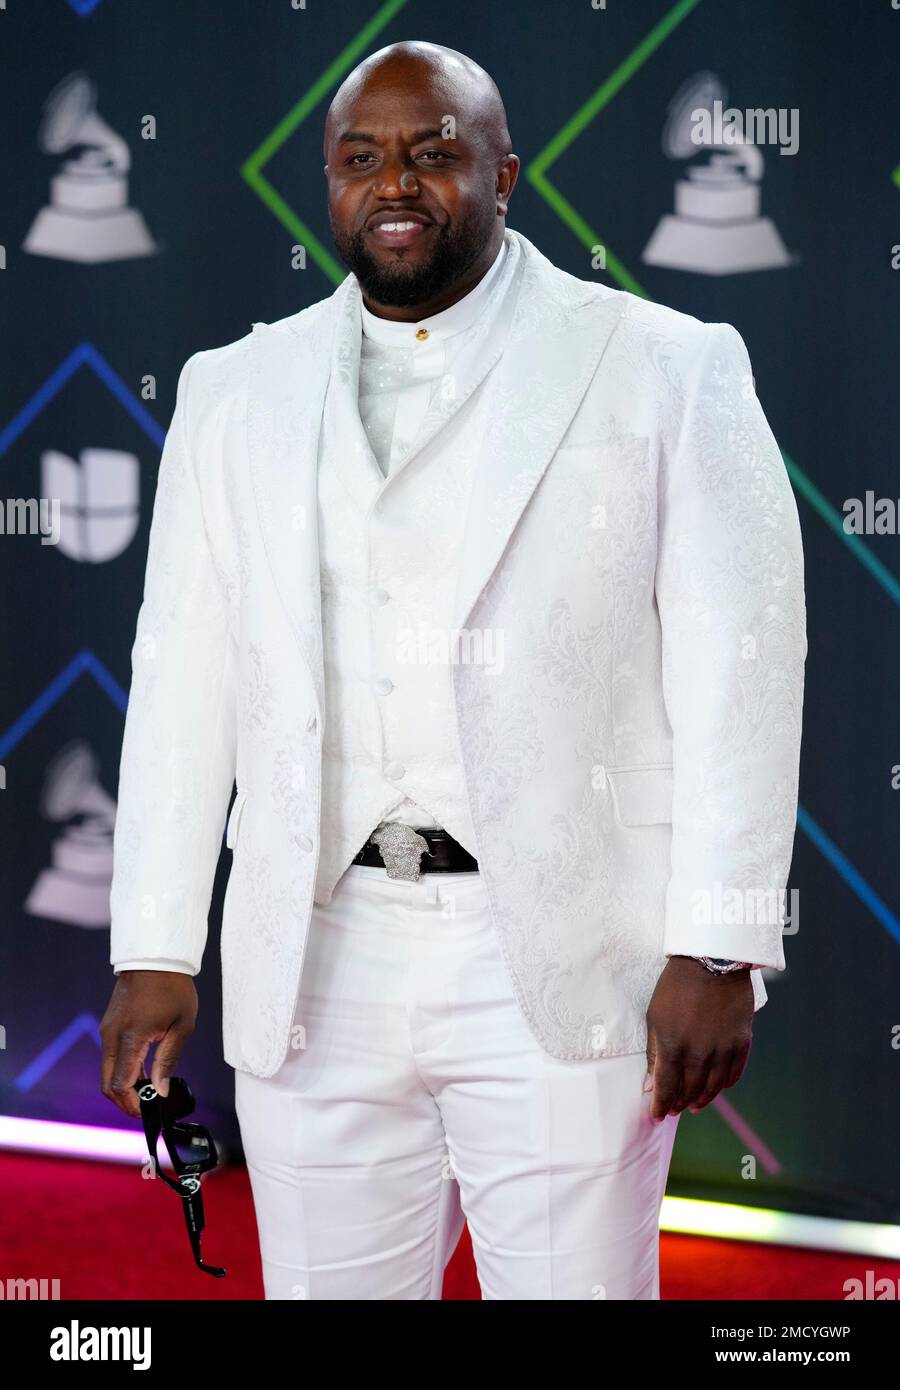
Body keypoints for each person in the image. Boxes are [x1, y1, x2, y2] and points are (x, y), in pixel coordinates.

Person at [101, 40, 807, 1300]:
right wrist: (156, 941)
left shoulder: (666, 363)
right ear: (328, 183)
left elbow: (742, 669)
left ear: (505, 172)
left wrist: (721, 942)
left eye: (434, 151)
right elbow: (183, 675)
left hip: (562, 942)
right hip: (318, 945)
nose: (397, 182)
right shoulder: (233, 390)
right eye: (362, 157)